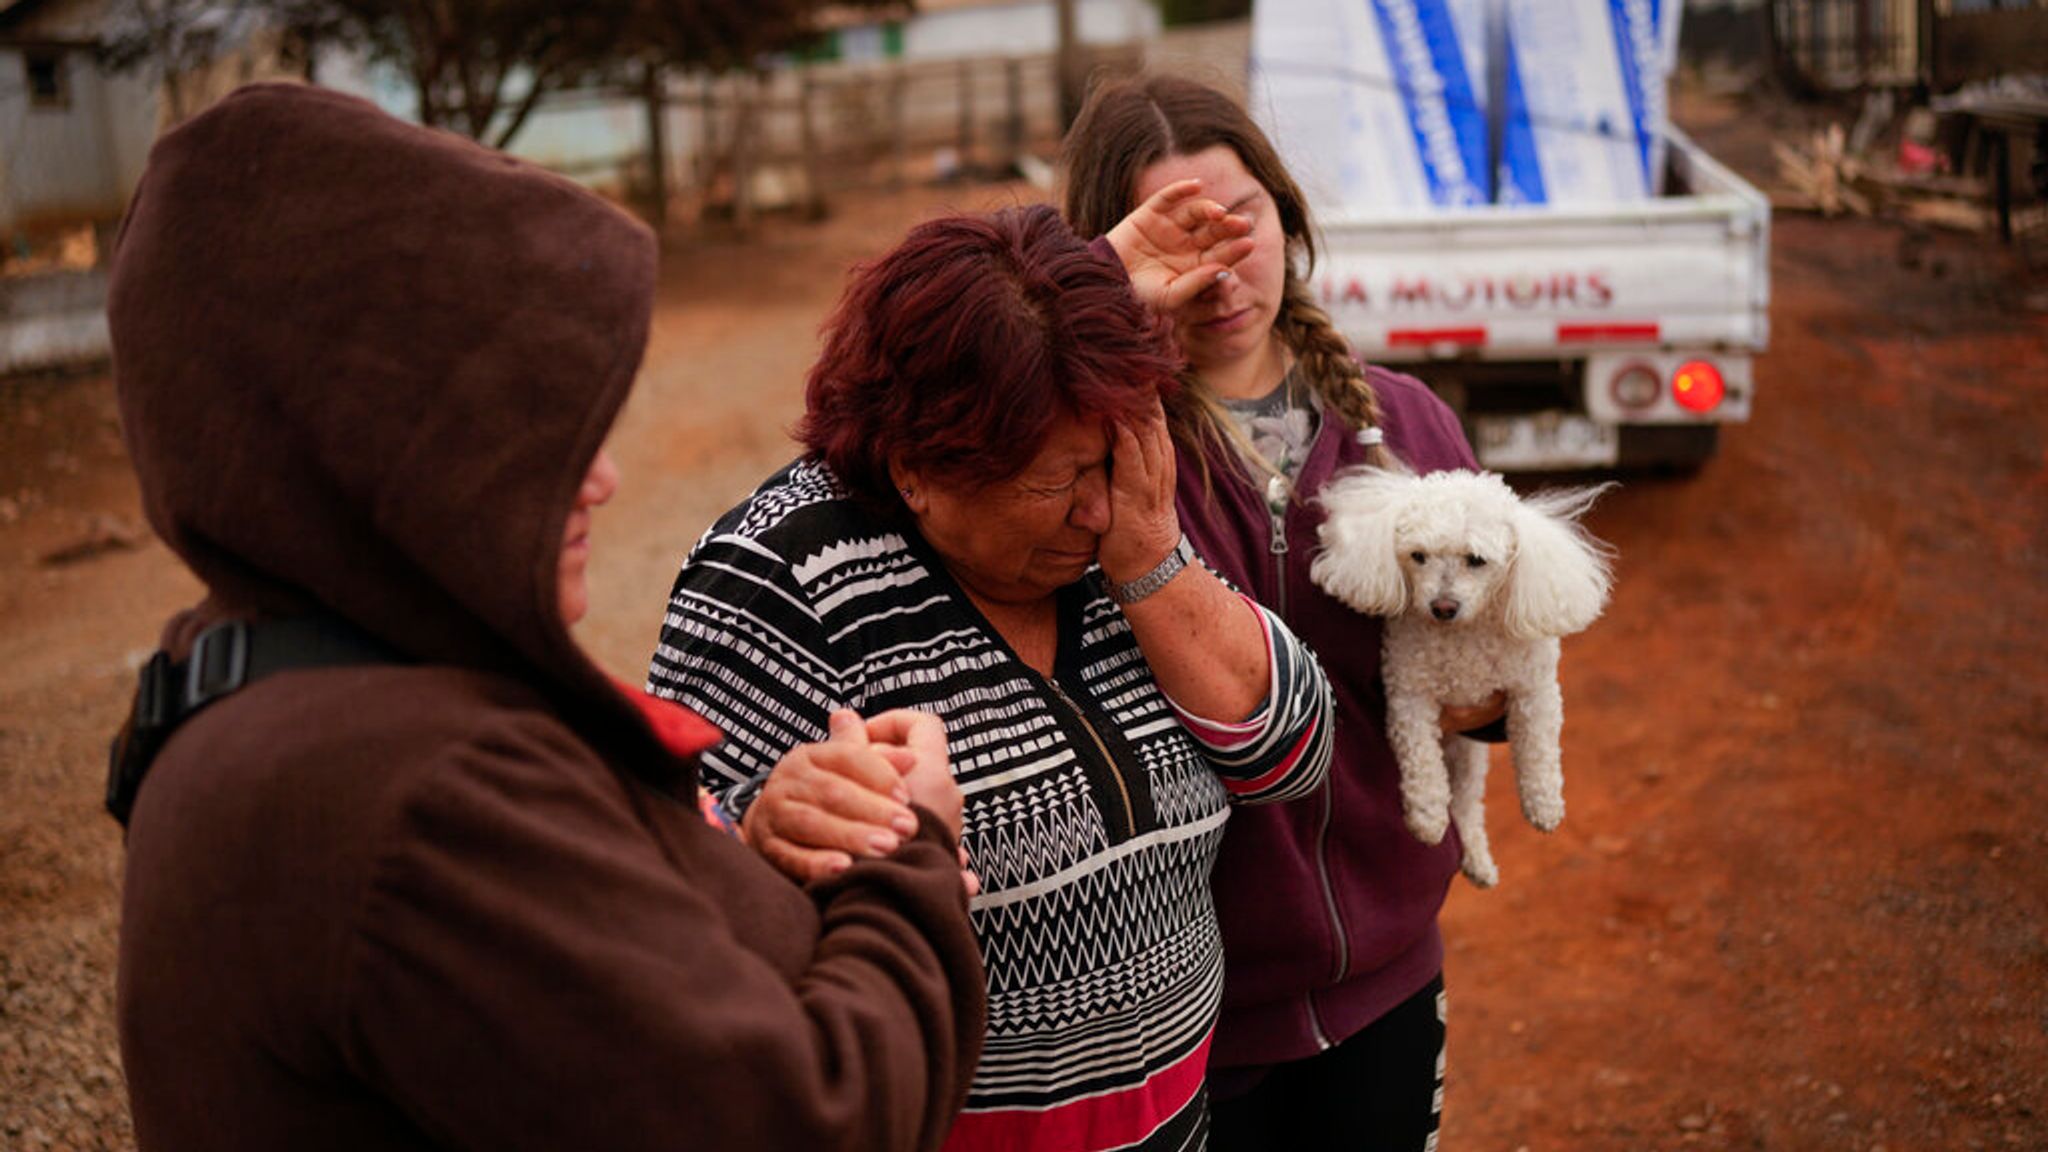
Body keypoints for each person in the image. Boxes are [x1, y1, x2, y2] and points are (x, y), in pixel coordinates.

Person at [107, 83, 984, 1152]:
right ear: (376, 448)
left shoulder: (253, 676)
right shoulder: (426, 800)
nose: (605, 480)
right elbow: (808, 1118)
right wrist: (905, 856)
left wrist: (755, 864)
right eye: (526, 434)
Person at [646, 201, 1336, 1151]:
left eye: (1108, 464)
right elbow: (680, 917)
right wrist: (768, 844)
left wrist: (1155, 561)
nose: (1097, 511)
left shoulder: (1122, 529)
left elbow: (1293, 756)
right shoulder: (775, 577)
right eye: (1057, 484)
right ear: (918, 469)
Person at [1060, 74, 1506, 1151]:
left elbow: (1488, 694)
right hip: (1189, 1016)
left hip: (1387, 977)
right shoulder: (1096, 459)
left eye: (1239, 219)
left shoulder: (1402, 423)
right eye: (1177, 239)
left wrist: (1483, 688)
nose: (1218, 269)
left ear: (1286, 210)